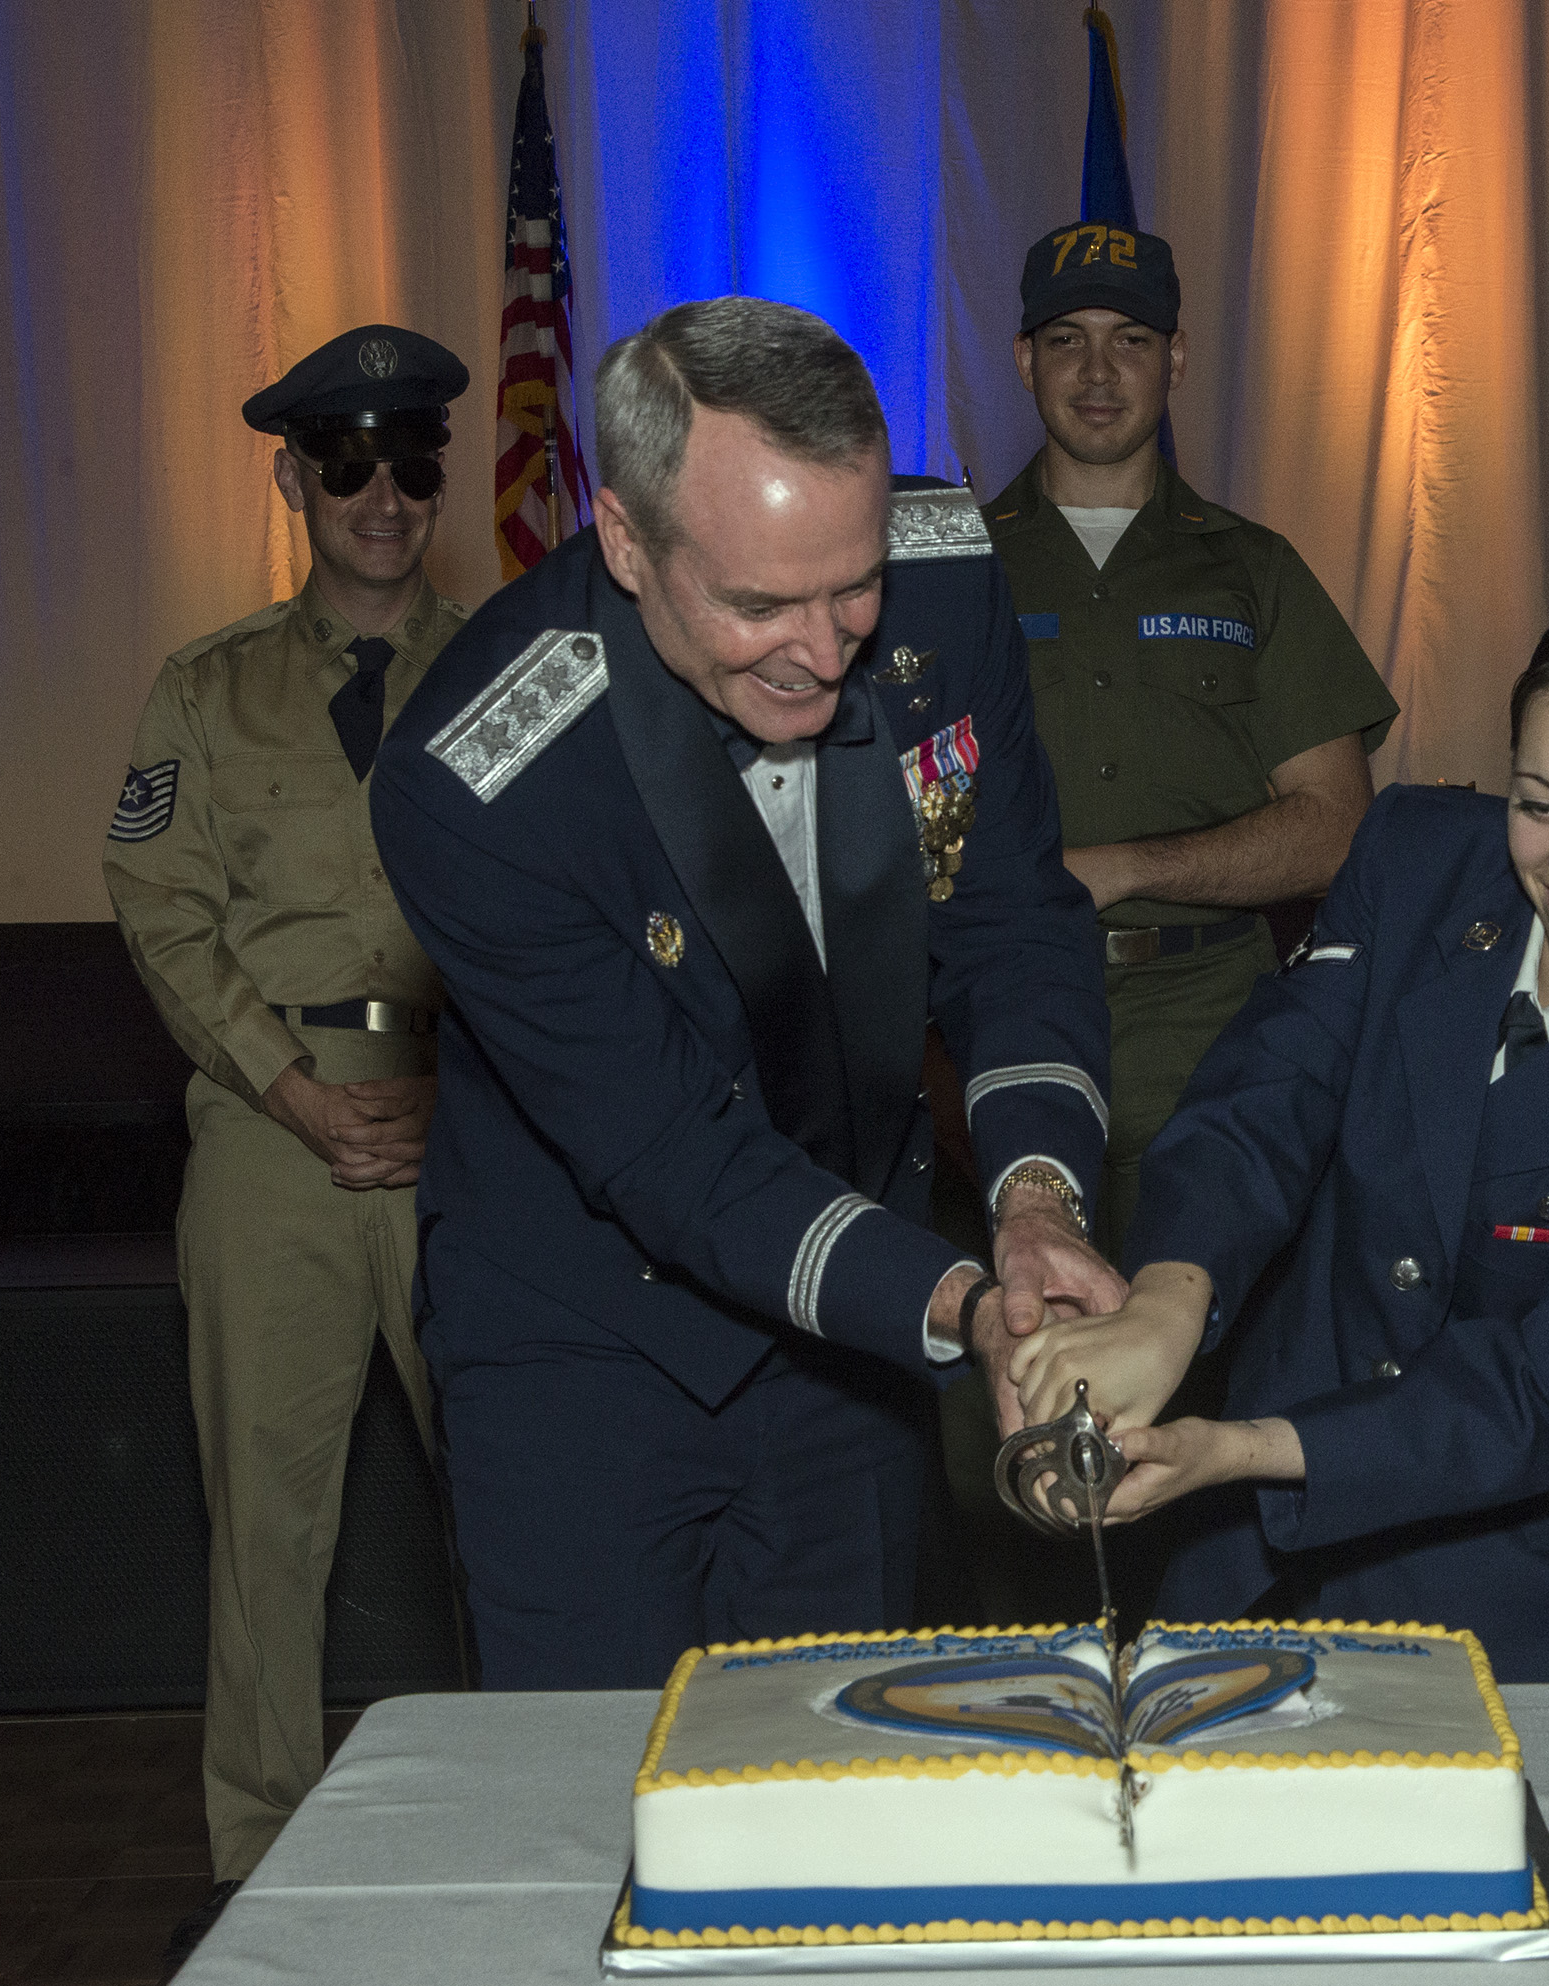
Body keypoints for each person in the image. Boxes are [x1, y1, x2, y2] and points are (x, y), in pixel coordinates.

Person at [370, 297, 1123, 1690]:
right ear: (626, 543)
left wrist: (1035, 1203)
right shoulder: (475, 782)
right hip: (586, 1341)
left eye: (852, 588)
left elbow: (1014, 923)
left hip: (851, 1317)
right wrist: (966, 1304)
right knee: (605, 1777)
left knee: (843, 1750)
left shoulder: (947, 579)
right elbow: (673, 1153)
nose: (824, 653)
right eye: (760, 605)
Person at [1009, 577, 1549, 1681]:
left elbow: (1546, 1396)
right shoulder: (1417, 858)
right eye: (1539, 803)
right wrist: (1171, 1297)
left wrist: (1242, 1450)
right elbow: (1273, 1091)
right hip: (1278, 1548)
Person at [100, 325, 469, 1914]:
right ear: (293, 479)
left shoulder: (520, 676)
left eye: (413, 463)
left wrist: (465, 1086)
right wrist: (297, 1090)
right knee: (265, 1524)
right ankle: (265, 1865)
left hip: (474, 1132)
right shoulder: (208, 690)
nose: (384, 496)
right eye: (349, 463)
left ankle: (529, 1825)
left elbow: (586, 906)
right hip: (274, 1131)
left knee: (518, 1505)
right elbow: (161, 908)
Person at [983, 221, 1394, 1254]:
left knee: (1206, 1330)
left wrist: (1121, 869)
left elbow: (1338, 829)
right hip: (1003, 1019)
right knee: (1020, 1333)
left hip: (1212, 1027)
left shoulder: (1254, 569)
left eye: (1130, 340)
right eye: (1067, 340)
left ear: (1175, 360)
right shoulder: (955, 572)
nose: (1097, 372)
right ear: (1025, 360)